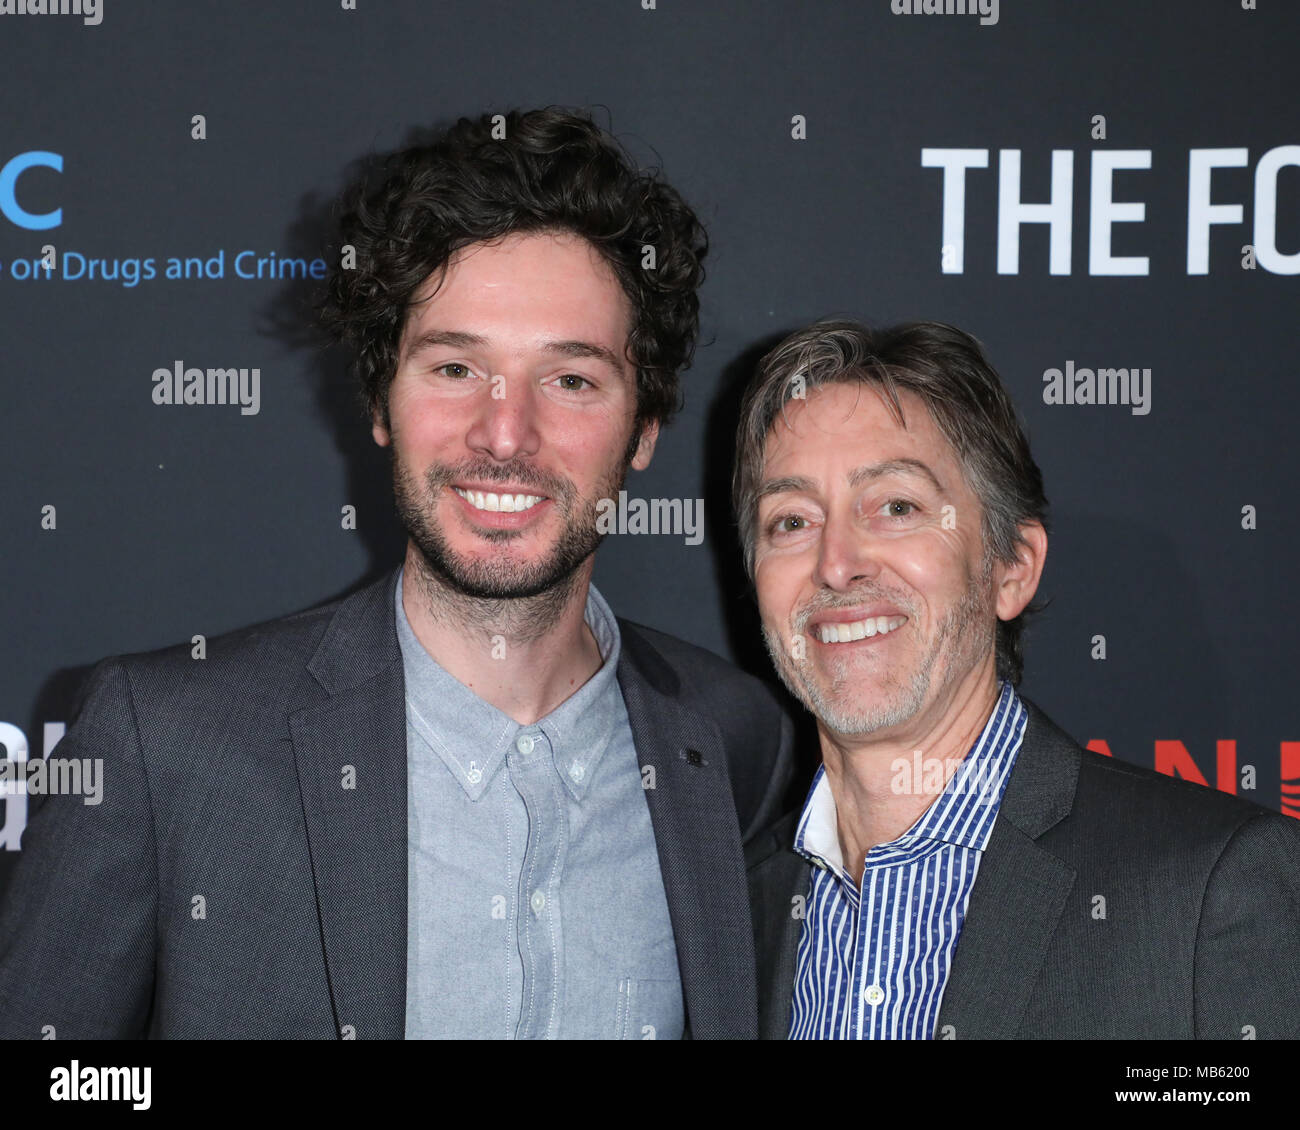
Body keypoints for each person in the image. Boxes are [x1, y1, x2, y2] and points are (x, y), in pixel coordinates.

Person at [0, 107, 795, 1040]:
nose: (505, 433)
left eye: (571, 379)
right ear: (382, 403)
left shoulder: (736, 744)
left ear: (646, 428)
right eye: (455, 368)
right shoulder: (168, 744)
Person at [734, 318, 1300, 1039]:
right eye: (791, 520)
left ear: (1013, 568)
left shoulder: (1211, 893)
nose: (837, 562)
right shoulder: (730, 913)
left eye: (897, 507)